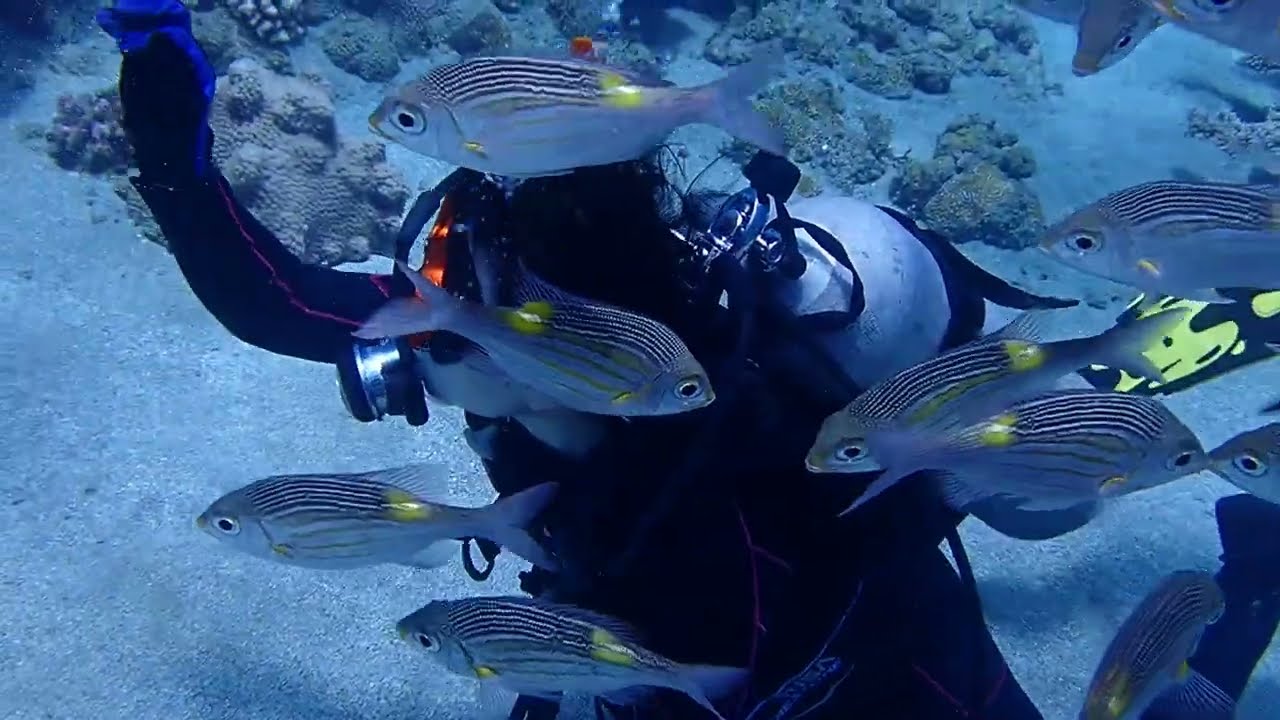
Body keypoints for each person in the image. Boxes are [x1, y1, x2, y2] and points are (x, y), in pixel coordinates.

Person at [97, 2, 1279, 718]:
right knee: (1023, 448)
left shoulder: (506, 344)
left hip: (861, 653)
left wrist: (164, 111)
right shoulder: (719, 307)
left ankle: (1244, 565)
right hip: (806, 637)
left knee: (1039, 479)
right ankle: (1134, 395)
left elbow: (273, 306)